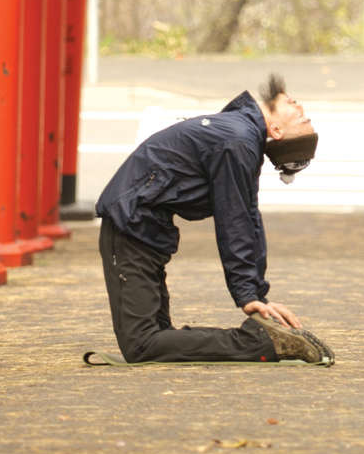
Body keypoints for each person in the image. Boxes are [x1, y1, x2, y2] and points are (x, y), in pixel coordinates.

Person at [95, 74, 333, 364]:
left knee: (143, 343)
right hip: (140, 228)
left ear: (277, 130)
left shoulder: (238, 139)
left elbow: (239, 219)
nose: (300, 107)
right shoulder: (238, 132)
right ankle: (261, 338)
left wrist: (253, 295)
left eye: (302, 119)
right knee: (154, 338)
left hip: (132, 228)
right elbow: (243, 217)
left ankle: (260, 341)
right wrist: (252, 294)